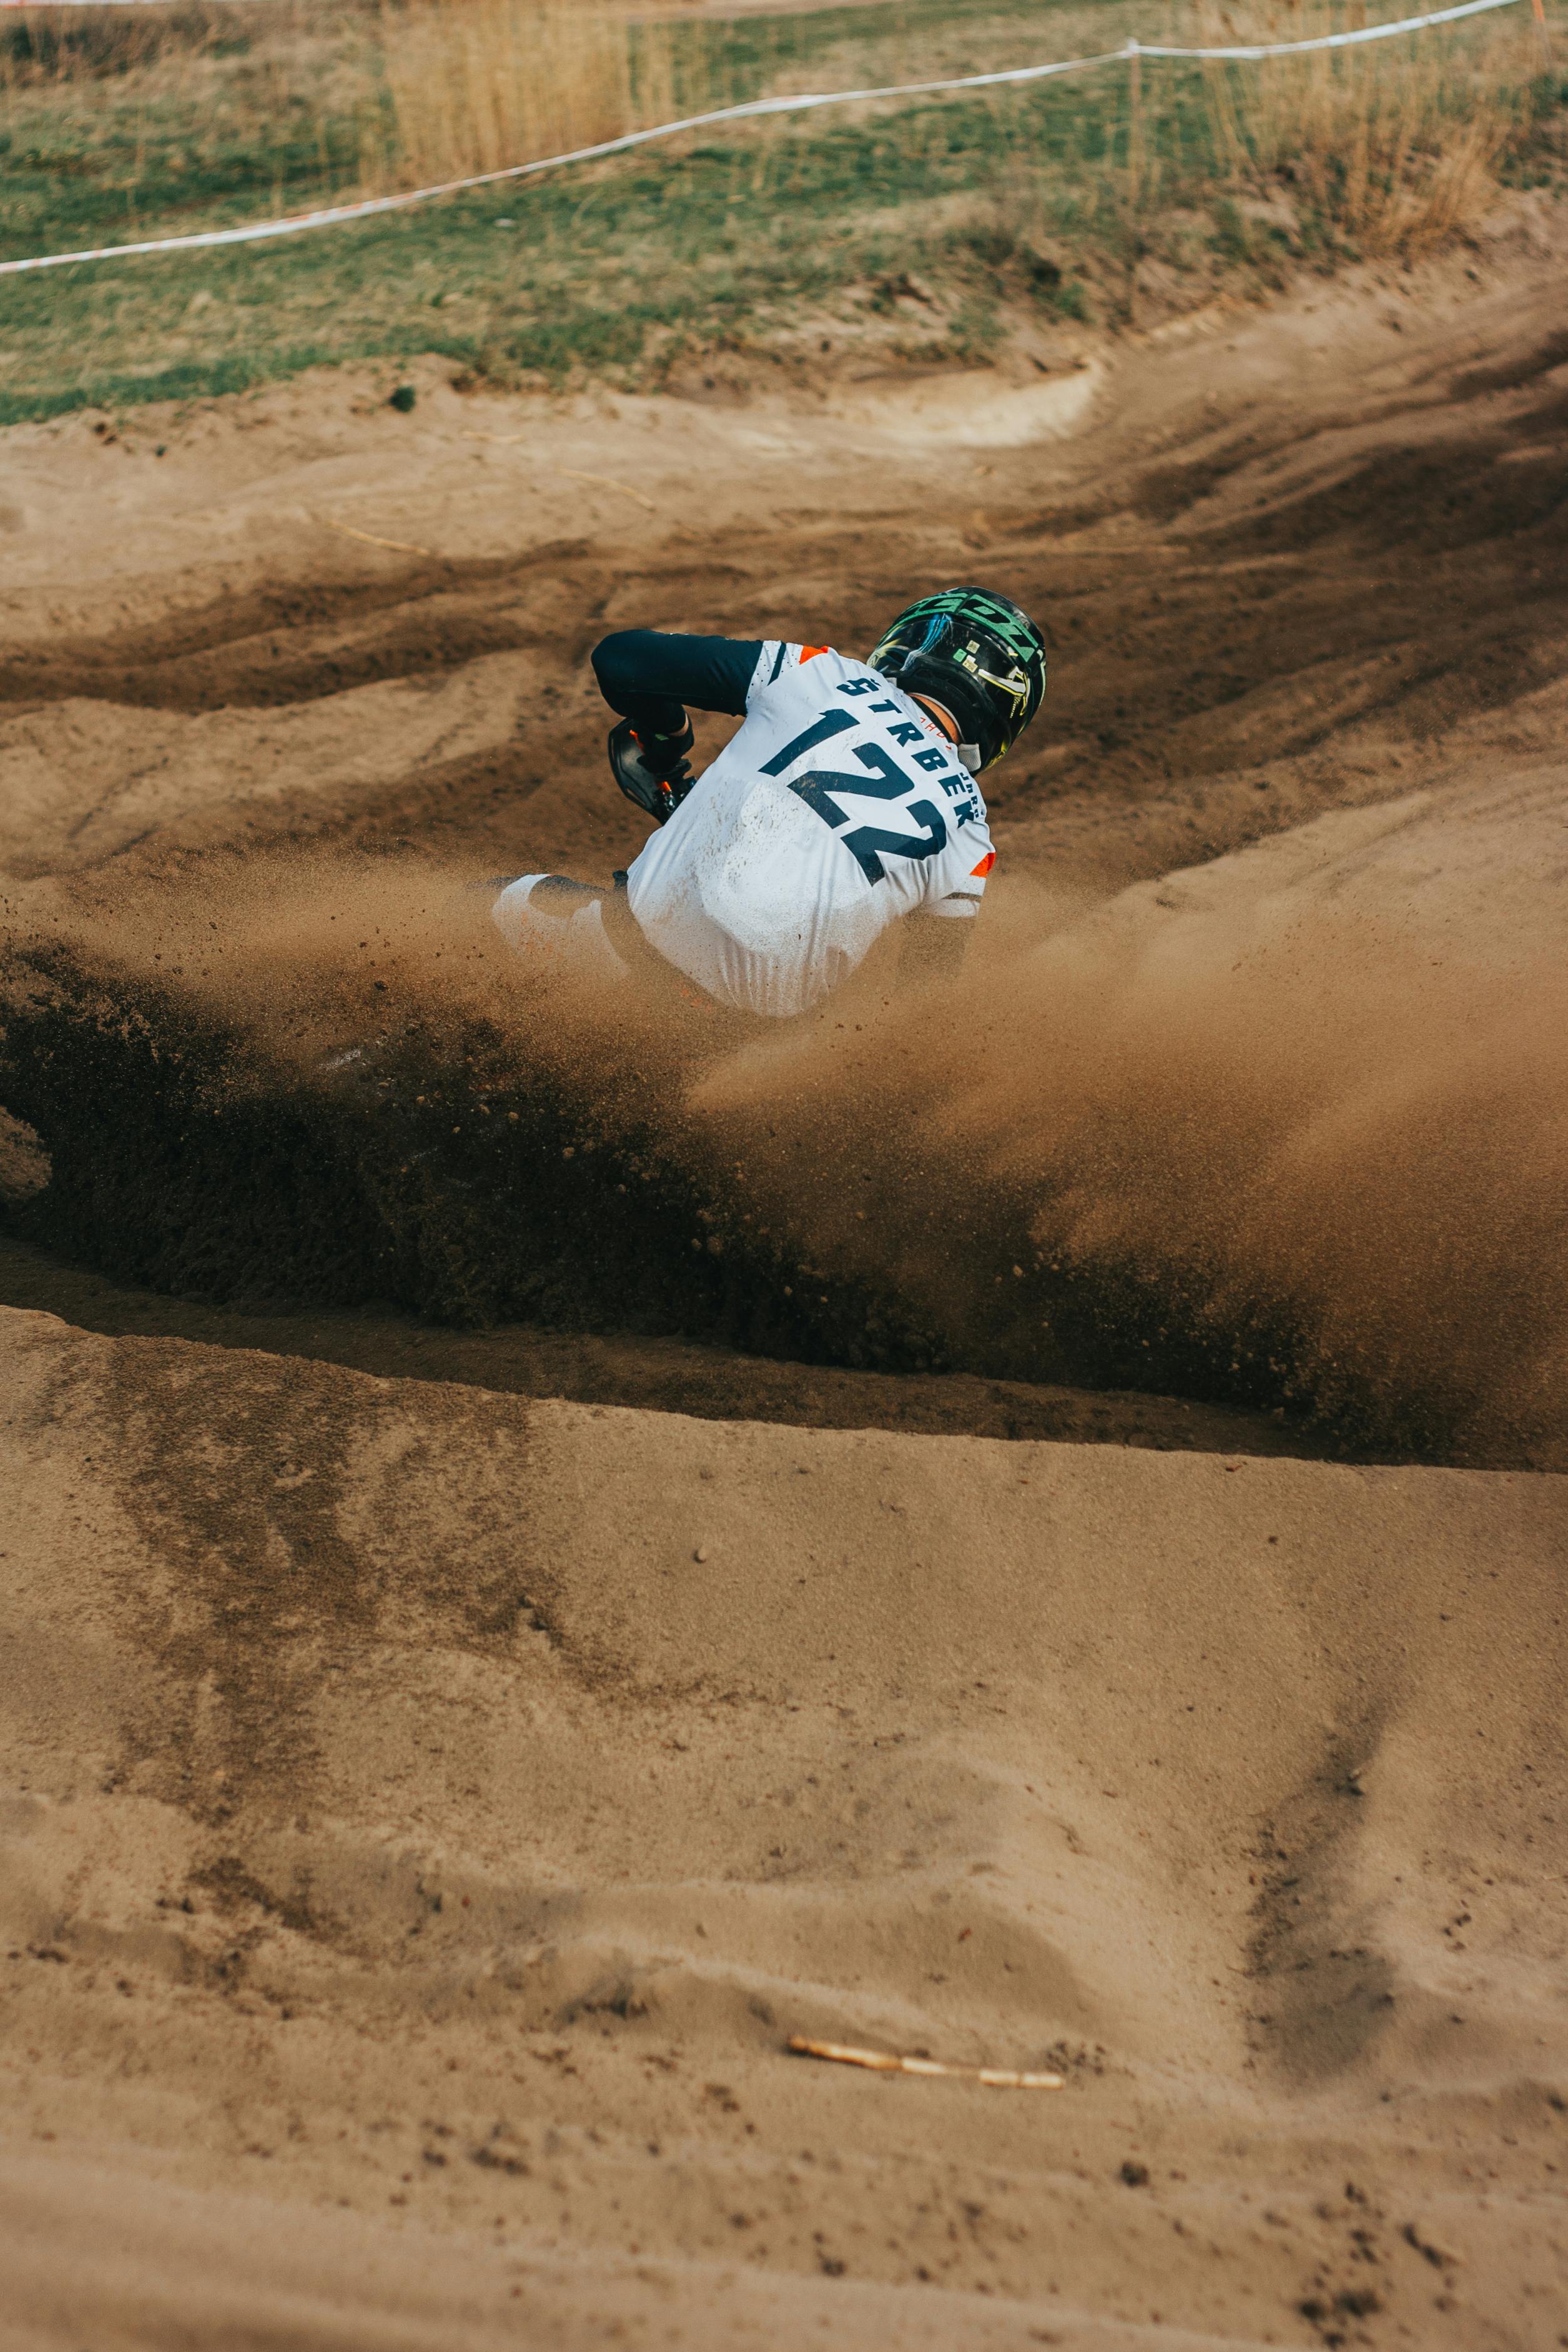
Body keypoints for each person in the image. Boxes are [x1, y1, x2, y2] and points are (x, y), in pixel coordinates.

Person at [491, 586, 1047, 1020]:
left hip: (625, 952)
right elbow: (923, 1003)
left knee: (470, 916)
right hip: (737, 1047)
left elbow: (619, 659)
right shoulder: (971, 833)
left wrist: (666, 747)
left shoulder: (826, 675)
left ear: (915, 641)